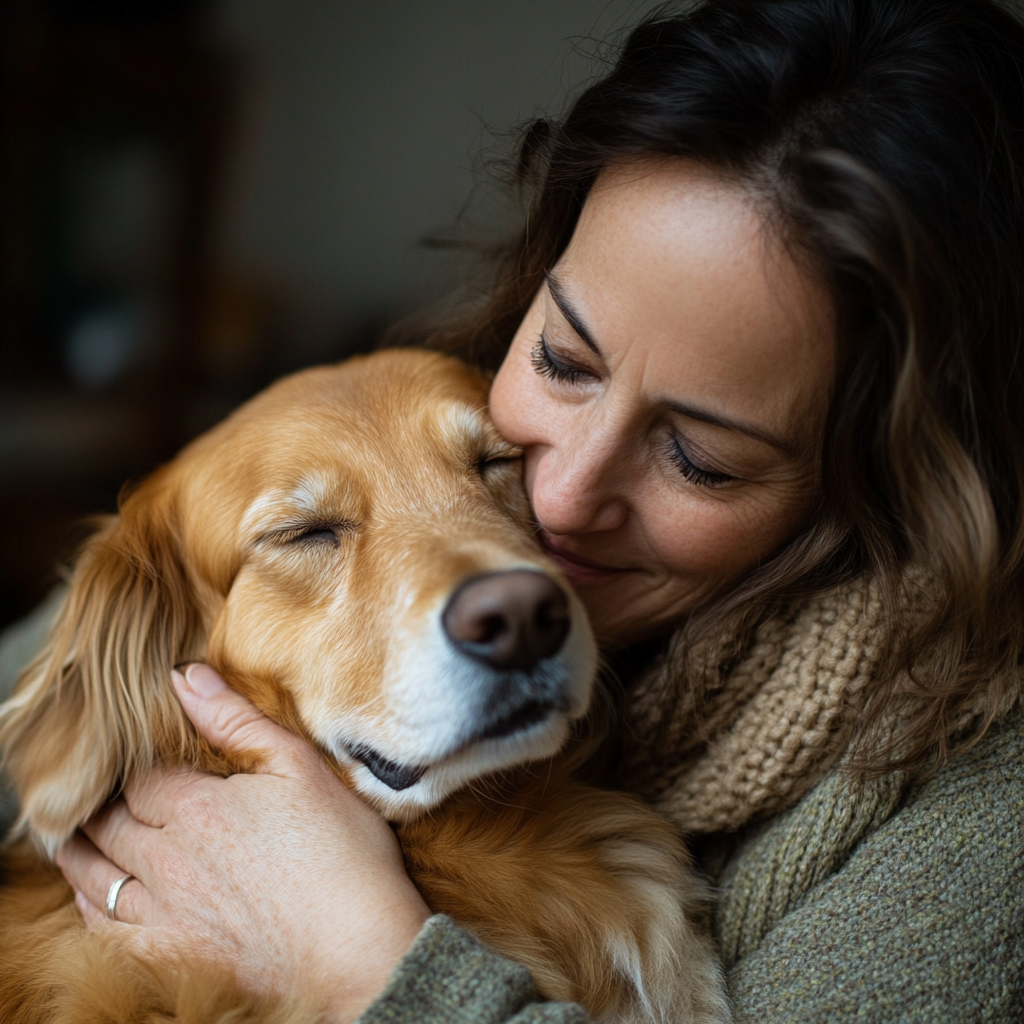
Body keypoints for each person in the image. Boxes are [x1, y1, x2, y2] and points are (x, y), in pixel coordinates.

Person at [2, 0, 1023, 1019]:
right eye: (564, 361)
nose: (557, 498)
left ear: (888, 487)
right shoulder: (407, 419)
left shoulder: (980, 828)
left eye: (700, 458)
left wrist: (357, 955)